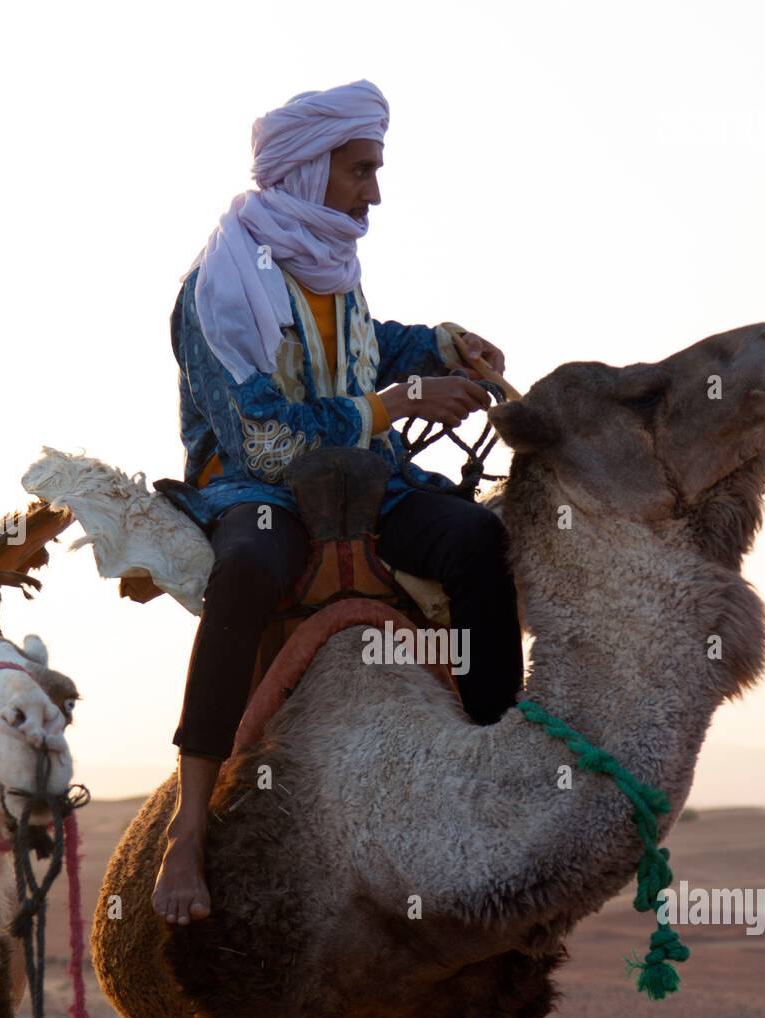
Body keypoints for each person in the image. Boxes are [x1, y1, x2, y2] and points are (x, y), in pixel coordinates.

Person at [152, 79, 523, 927]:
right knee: (247, 570)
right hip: (260, 486)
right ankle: (190, 825)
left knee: (477, 540)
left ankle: (494, 768)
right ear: (310, 170)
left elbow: (358, 351)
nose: (375, 194)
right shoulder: (215, 288)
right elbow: (262, 437)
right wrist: (399, 403)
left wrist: (438, 345)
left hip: (365, 476)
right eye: (362, 172)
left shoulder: (331, 262)